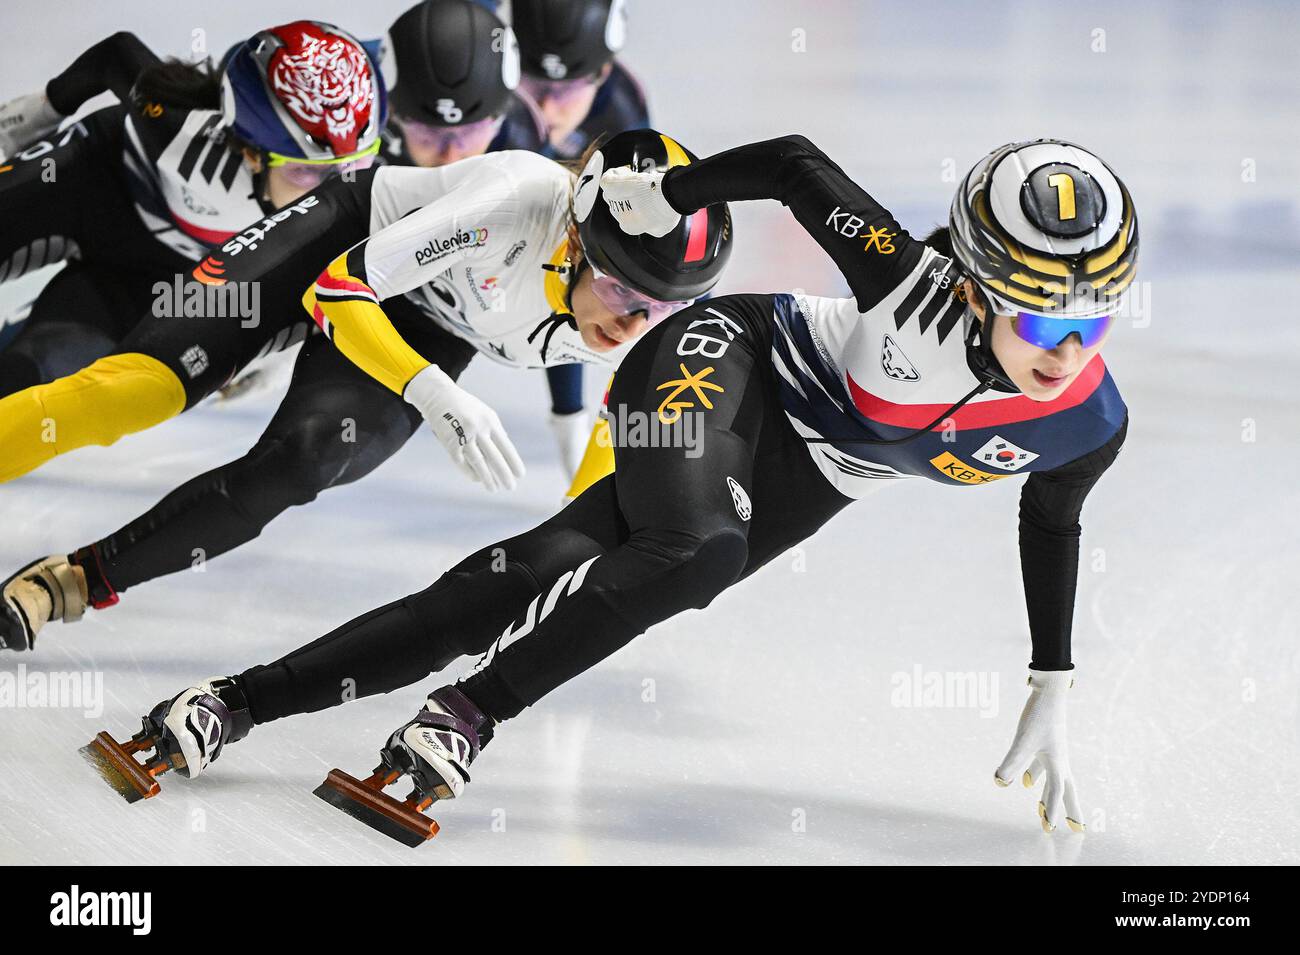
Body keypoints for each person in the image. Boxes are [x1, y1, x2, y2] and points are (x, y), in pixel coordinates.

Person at [109, 134, 1137, 835]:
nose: (1063, 351)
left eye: (1089, 326)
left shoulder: (1087, 420)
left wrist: (1052, 677)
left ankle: (229, 703)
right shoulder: (905, 283)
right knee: (698, 548)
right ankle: (464, 716)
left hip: (810, 471)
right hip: (722, 356)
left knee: (538, 571)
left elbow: (1052, 518)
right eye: (1043, 321)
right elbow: (791, 165)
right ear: (969, 284)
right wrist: (672, 198)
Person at [0, 130, 732, 651]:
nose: (631, 323)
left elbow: (613, 471)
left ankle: (70, 581)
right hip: (342, 244)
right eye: (616, 288)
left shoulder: (648, 324)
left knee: (305, 460)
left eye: (660, 309)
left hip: (433, 322)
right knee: (135, 393)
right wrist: (434, 392)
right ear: (574, 240)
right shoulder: (514, 199)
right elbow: (341, 288)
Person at [0, 22, 385, 397]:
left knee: (27, 381)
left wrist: (279, 354)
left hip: (151, 279)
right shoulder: (178, 126)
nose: (337, 188)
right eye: (305, 171)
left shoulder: (363, 195)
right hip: (84, 184)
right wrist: (36, 115)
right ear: (253, 155)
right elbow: (115, 55)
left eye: (354, 165)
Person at [513, 0, 653, 474]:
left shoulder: (623, 115)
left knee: (581, 275)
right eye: (532, 83)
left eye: (567, 88)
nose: (548, 107)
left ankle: (571, 430)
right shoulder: (482, 71)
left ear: (603, 74)